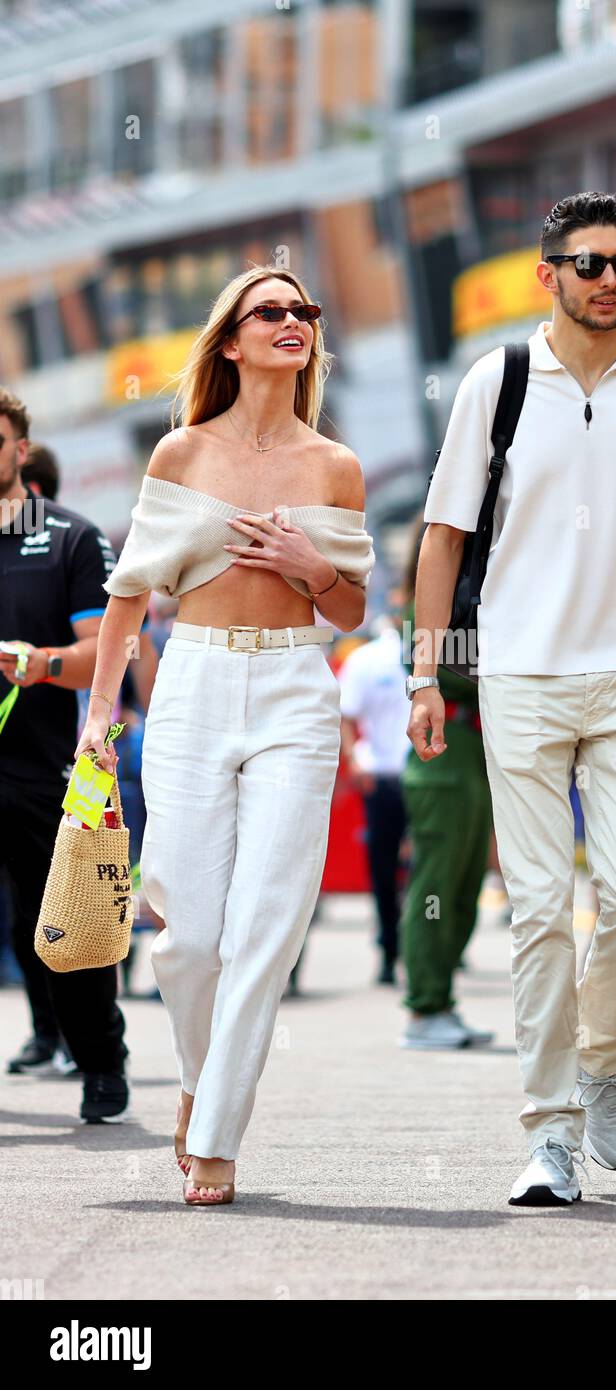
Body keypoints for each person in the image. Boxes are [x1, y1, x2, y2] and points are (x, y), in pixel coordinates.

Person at [411, 191, 616, 1206]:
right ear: (544, 274)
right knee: (542, 910)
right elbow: (444, 536)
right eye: (588, 264)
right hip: (517, 675)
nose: (608, 280)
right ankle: (549, 1130)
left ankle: (599, 1061)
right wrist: (427, 671)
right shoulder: (497, 381)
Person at [75, 264, 374, 1205]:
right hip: (196, 681)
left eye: (304, 312)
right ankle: (200, 1078)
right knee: (187, 937)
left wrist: (309, 566)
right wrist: (99, 712)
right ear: (232, 339)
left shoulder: (336, 465)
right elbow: (129, 594)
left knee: (265, 929)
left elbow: (353, 611)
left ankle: (216, 1136)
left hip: (293, 683)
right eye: (270, 312)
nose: (293, 322)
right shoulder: (181, 454)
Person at [0, 386, 129, 1117]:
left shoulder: (71, 536)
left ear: (21, 450)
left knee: (62, 923)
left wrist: (37, 662)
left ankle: (100, 1063)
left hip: (47, 766)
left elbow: (104, 654)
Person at [399, 514, 494, 1049]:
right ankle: (424, 1005)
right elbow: (446, 673)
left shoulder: (468, 602)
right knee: (435, 887)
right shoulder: (424, 614)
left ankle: (441, 1000)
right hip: (444, 759)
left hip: (473, 756)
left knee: (462, 889)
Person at [338, 593, 410, 984]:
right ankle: (390, 946)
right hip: (383, 777)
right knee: (384, 869)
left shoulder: (443, 653)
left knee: (420, 867)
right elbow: (346, 717)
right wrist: (354, 760)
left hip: (423, 776)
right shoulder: (368, 659)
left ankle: (418, 943)